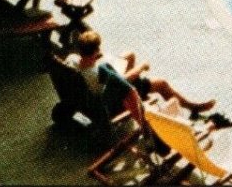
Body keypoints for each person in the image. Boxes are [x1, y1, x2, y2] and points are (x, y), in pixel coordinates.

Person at [70, 30, 215, 125]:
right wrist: (142, 67)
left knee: (129, 55)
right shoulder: (96, 72)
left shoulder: (73, 60)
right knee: (161, 83)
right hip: (116, 98)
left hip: (101, 89)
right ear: (95, 51)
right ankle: (193, 107)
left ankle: (143, 92)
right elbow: (124, 82)